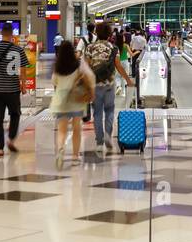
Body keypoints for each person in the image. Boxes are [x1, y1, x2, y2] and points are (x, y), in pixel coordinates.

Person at [84, 22, 134, 154]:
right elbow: (118, 66)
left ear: (97, 32)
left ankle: (99, 142)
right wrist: (128, 80)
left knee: (97, 114)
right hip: (109, 84)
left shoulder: (90, 47)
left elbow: (86, 67)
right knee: (110, 111)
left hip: (95, 85)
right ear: (109, 34)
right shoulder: (113, 48)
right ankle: (108, 135)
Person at [49, 40, 93, 168]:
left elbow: (55, 83)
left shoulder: (57, 67)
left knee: (62, 130)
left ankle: (61, 149)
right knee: (76, 129)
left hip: (61, 101)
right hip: (76, 101)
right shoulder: (78, 66)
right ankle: (75, 157)